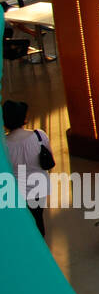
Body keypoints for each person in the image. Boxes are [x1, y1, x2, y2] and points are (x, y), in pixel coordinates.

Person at [3, 100, 51, 237]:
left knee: (22, 225)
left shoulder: (4, 145)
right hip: (39, 188)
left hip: (17, 192)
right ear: (24, 118)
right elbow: (48, 159)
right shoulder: (39, 135)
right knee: (38, 219)